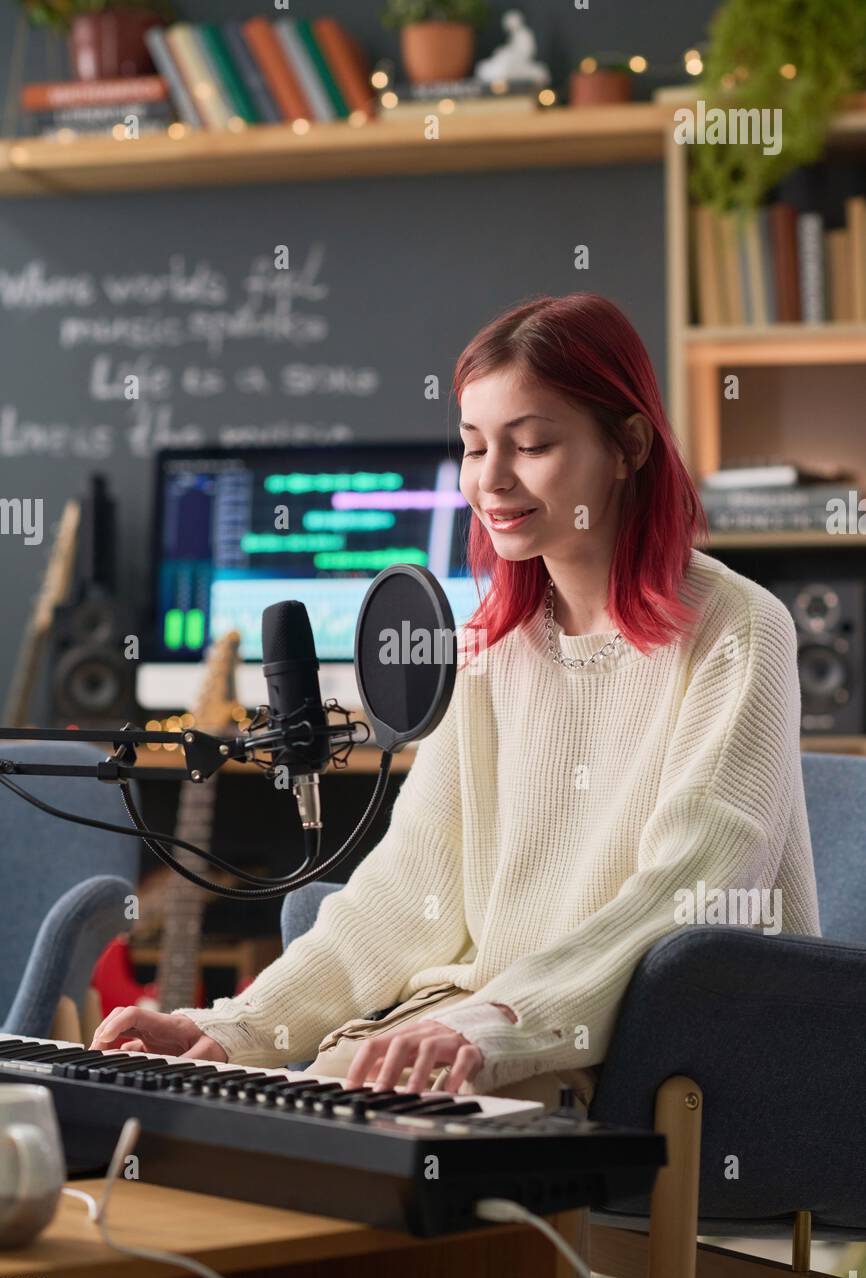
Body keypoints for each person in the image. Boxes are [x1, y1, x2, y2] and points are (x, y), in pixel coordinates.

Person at [92, 292, 821, 1115]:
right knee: (279, 1117)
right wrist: (232, 1030)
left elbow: (696, 886)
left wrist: (498, 1022)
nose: (492, 480)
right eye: (474, 448)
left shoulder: (738, 627)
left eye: (534, 444)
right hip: (495, 1031)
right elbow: (406, 893)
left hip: (671, 1053)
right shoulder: (488, 647)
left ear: (629, 445)